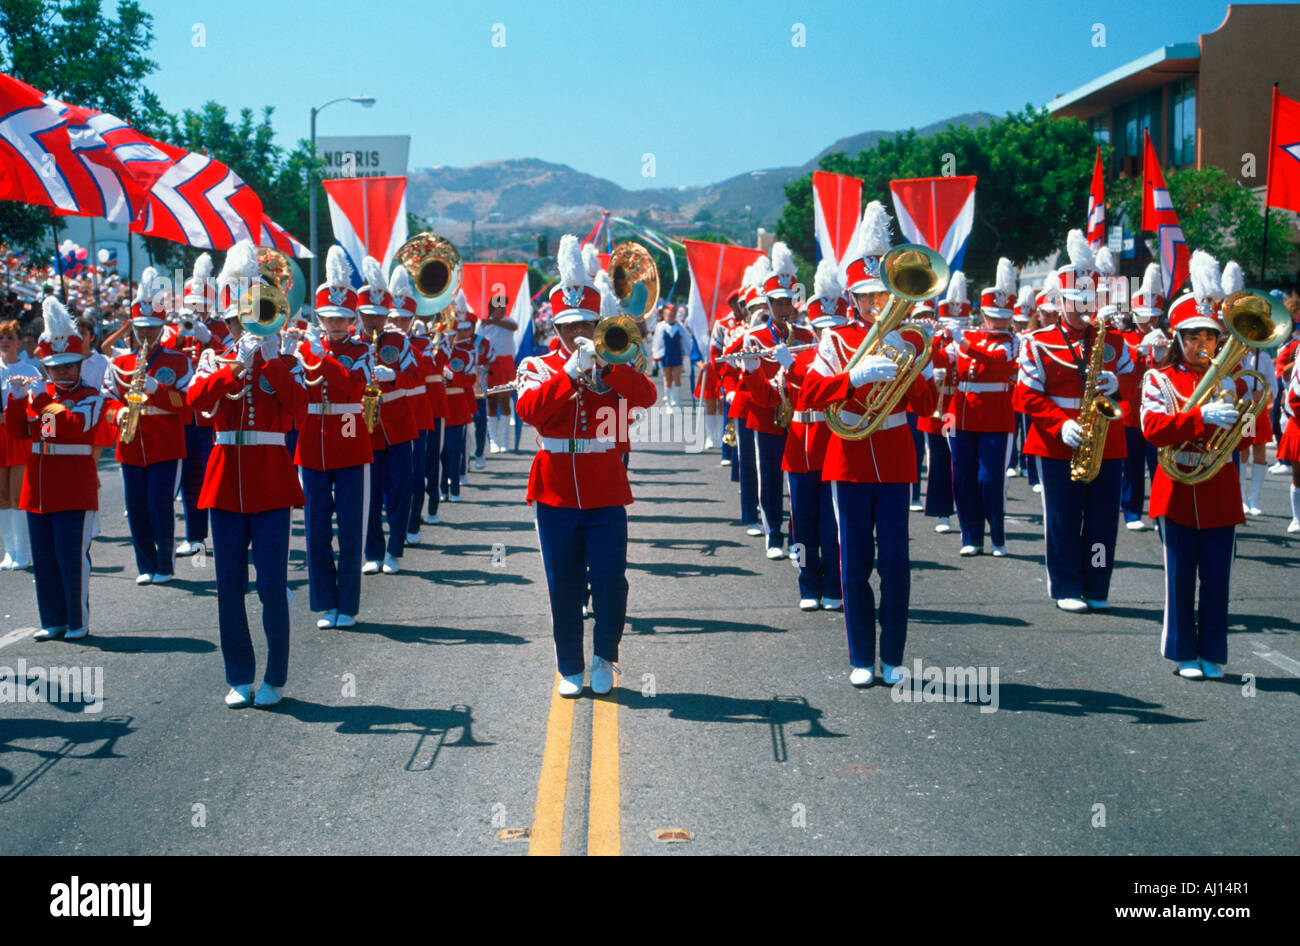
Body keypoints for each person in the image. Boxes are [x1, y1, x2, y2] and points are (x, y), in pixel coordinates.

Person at [802, 201, 938, 687]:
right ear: (853, 300)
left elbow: (928, 403)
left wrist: (914, 363)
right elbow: (810, 395)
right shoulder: (835, 342)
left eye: (884, 294)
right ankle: (862, 656)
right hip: (850, 461)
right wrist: (850, 377)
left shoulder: (912, 337)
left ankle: (893, 656)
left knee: (896, 562)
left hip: (897, 460)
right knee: (854, 560)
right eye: (867, 297)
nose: (877, 304)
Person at [515, 234, 657, 697]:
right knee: (564, 585)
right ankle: (569, 665)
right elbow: (531, 411)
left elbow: (646, 397)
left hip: (605, 488)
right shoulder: (537, 366)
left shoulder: (615, 361)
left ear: (598, 324)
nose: (575, 334)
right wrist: (570, 373)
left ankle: (605, 657)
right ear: (552, 326)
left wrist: (609, 367)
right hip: (554, 489)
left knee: (612, 582)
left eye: (584, 324)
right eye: (566, 325)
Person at [186, 240, 306, 708]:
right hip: (224, 482)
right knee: (229, 586)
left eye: (254, 316)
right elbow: (196, 403)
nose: (246, 326)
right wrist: (236, 368)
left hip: (272, 481)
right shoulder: (215, 359)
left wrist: (271, 361)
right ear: (230, 322)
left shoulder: (287, 362)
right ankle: (239, 675)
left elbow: (300, 409)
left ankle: (275, 677)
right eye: (239, 319)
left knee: (272, 584)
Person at [1141, 253, 1248, 680]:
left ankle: (1213, 653)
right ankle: (1184, 650)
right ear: (1177, 338)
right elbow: (1153, 427)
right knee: (1180, 576)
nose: (1203, 344)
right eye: (1193, 336)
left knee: (1218, 578)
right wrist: (1202, 417)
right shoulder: (1159, 378)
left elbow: (1254, 435)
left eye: (1210, 335)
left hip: (1220, 486)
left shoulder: (1233, 379)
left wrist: (1243, 416)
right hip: (1177, 486)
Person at [1016, 230, 1133, 613]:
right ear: (1061, 300)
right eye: (1076, 302)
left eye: (1090, 302)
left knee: (1102, 523)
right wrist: (1058, 423)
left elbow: (1139, 385)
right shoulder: (1038, 340)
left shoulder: (1113, 340)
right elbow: (1026, 395)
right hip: (1057, 441)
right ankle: (1067, 585)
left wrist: (1120, 384)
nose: (1084, 310)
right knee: (1063, 519)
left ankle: (1097, 584)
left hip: (1107, 442)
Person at [747, 258, 845, 610]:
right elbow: (767, 399)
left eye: (832, 327)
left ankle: (834, 585)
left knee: (831, 523)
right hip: (799, 445)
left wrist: (792, 367)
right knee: (801, 526)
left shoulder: (837, 357)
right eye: (821, 327)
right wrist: (753, 370)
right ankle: (807, 586)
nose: (825, 334)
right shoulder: (799, 352)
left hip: (833, 444)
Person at [6, 298, 104, 640]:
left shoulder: (91, 395)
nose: (62, 373)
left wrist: (39, 401)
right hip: (38, 486)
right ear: (47, 368)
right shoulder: (41, 394)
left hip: (73, 487)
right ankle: (53, 619)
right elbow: (19, 431)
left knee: (71, 558)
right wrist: (17, 398)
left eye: (69, 366)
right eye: (56, 368)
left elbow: (73, 425)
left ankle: (78, 621)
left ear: (79, 365)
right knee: (44, 559)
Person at [295, 246, 374, 629]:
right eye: (329, 318)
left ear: (352, 319)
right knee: (316, 529)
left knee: (350, 527)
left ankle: (348, 604)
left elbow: (351, 388)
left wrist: (320, 356)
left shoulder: (361, 351)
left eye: (342, 319)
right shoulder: (305, 349)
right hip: (312, 441)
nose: (335, 325)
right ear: (320, 316)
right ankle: (325, 602)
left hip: (348, 436)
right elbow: (293, 394)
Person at [103, 268, 193, 585]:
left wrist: (159, 391)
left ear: (162, 328)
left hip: (165, 442)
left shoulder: (179, 360)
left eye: (152, 329)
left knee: (160, 505)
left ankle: (164, 566)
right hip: (130, 442)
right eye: (141, 329)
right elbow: (108, 400)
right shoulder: (120, 363)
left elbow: (188, 404)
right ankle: (145, 565)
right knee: (136, 507)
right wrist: (119, 416)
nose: (146, 335)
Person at [728, 243, 815, 560]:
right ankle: (772, 534)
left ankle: (798, 540)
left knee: (801, 484)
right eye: (777, 302)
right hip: (766, 416)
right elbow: (739, 372)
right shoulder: (755, 337)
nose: (783, 308)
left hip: (801, 418)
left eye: (788, 302)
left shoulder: (807, 336)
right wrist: (752, 372)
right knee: (769, 478)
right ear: (768, 303)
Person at [948, 259, 1021, 557]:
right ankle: (971, 536)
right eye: (994, 317)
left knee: (990, 480)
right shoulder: (969, 336)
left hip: (995, 418)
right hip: (960, 416)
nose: (999, 323)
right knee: (962, 478)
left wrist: (962, 341)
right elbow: (947, 365)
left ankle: (998, 537)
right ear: (983, 314)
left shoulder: (1014, 341)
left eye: (1004, 317)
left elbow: (998, 361)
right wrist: (934, 344)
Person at [357, 258, 414, 576]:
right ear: (360, 315)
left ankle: (395, 549)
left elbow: (416, 376)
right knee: (369, 491)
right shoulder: (352, 345)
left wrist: (393, 375)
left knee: (399, 490)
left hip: (397, 426)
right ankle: (372, 551)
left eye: (380, 316)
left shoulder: (400, 342)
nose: (375, 322)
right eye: (370, 316)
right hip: (365, 429)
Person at [718, 258, 770, 536]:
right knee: (748, 461)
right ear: (746, 310)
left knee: (772, 464)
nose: (762, 313)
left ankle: (772, 513)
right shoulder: (740, 332)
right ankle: (750, 513)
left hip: (774, 402)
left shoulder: (778, 332)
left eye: (765, 308)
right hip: (747, 403)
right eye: (756, 308)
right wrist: (729, 390)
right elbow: (726, 365)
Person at [1120, 263, 1167, 531]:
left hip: (1157, 413)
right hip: (1129, 413)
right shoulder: (1124, 338)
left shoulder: (1167, 338)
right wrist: (1143, 349)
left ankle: (1161, 512)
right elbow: (1123, 357)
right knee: (1133, 466)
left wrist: (1164, 353)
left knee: (1160, 467)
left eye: (1153, 316)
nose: (1148, 321)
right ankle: (1131, 511)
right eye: (1143, 316)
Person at [0, 317, 39, 569]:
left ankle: (23, 551)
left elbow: (38, 407)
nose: (4, 342)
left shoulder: (30, 370)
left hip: (17, 434)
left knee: (17, 493)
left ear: (19, 343)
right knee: (1, 495)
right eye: (1, 338)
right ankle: (9, 551)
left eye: (9, 338)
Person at [441, 295, 479, 503]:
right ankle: (442, 489)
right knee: (440, 453)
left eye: (458, 331)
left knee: (454, 451)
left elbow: (470, 379)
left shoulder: (468, 350)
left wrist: (451, 376)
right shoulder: (439, 348)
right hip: (439, 404)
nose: (455, 335)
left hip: (456, 405)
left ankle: (454, 487)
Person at [479, 290, 518, 453]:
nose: (502, 310)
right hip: (490, 365)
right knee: (491, 403)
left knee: (504, 400)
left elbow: (514, 327)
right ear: (492, 307)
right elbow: (478, 345)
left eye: (504, 307)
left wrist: (495, 321)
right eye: (499, 307)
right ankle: (493, 442)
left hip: (506, 364)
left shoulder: (508, 322)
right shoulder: (482, 324)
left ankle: (504, 441)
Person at [654, 304, 690, 413]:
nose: (670, 317)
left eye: (672, 315)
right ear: (664, 315)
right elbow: (657, 342)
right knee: (668, 378)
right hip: (666, 355)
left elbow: (686, 338)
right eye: (668, 315)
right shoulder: (660, 326)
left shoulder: (679, 326)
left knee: (677, 377)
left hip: (676, 354)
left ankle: (676, 402)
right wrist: (656, 354)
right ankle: (669, 404)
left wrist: (686, 352)